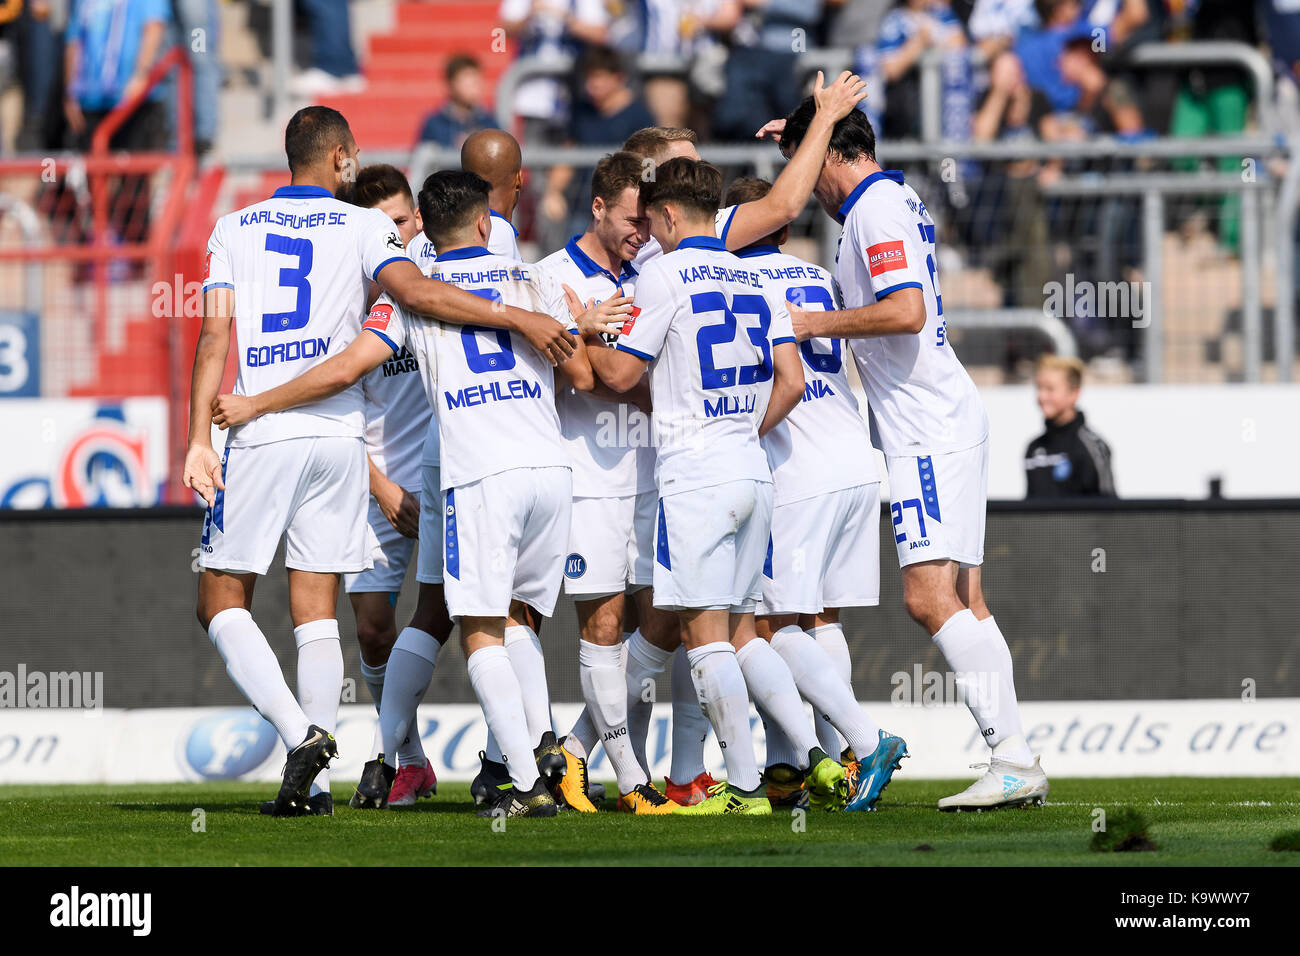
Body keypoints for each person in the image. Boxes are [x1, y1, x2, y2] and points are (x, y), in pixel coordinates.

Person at [184, 106, 577, 816]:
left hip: (275, 429)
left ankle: (307, 740)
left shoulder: (233, 227)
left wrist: (200, 437)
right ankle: (345, 776)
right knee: (322, 611)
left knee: (220, 597)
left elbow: (214, 337)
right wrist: (521, 314)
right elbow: (419, 292)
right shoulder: (371, 229)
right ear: (338, 159)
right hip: (346, 443)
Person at [776, 99, 1050, 811]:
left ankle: (1012, 757)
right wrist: (798, 136)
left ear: (837, 153)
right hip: (943, 418)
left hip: (928, 429)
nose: (808, 186)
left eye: (811, 164)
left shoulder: (874, 210)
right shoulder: (882, 200)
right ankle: (1014, 757)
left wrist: (811, 323)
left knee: (927, 597)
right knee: (967, 601)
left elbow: (905, 311)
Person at [580, 157, 846, 815]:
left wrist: (586, 329)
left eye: (652, 221)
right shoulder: (754, 277)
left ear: (669, 215)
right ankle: (766, 772)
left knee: (706, 640)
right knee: (734, 628)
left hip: (696, 476)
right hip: (753, 470)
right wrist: (739, 431)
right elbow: (792, 381)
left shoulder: (661, 275)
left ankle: (747, 787)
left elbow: (615, 374)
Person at [725, 176, 906, 814]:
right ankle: (836, 768)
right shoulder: (815, 278)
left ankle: (861, 743)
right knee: (822, 618)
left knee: (767, 626)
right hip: (855, 459)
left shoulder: (738, 286)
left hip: (797, 469)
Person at [535, 150, 678, 814]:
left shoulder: (654, 274)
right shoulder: (549, 278)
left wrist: (594, 344)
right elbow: (584, 380)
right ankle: (630, 778)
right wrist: (584, 343)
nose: (641, 233)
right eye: (630, 220)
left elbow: (637, 375)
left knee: (666, 621)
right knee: (603, 625)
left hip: (653, 472)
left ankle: (573, 748)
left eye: (648, 221)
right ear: (597, 208)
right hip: (588, 474)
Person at [338, 164, 444, 809]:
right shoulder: (346, 290)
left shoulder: (445, 273)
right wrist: (378, 486)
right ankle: (410, 758)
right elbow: (338, 401)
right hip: (379, 483)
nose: (395, 234)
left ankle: (512, 759)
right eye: (382, 226)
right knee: (374, 629)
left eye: (402, 221)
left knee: (477, 616)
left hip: (450, 475)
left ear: (420, 217)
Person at [1023, 354, 1115, 498]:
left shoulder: (1093, 446)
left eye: (1050, 389)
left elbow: (1110, 508)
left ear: (1074, 393)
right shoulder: (1034, 447)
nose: (1041, 396)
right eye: (1039, 388)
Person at [417, 55, 498, 150]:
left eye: (476, 80)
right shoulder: (435, 123)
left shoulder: (489, 122)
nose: (474, 87)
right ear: (451, 84)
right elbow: (423, 157)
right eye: (467, 80)